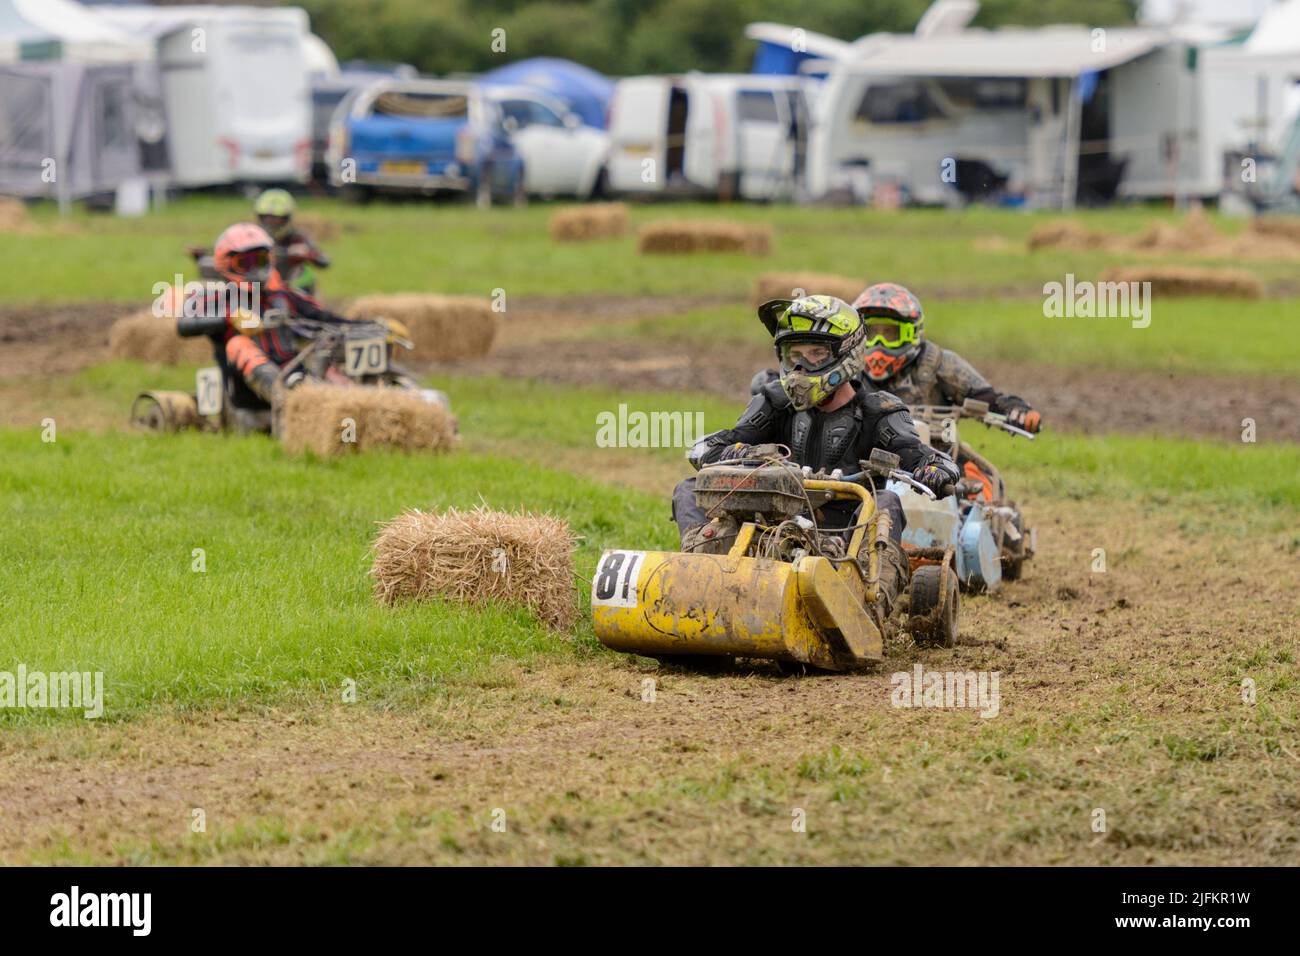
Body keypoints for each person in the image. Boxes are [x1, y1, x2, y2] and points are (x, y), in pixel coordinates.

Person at [672, 294, 960, 617]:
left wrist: (933, 470)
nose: (801, 367)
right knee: (689, 489)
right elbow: (713, 445)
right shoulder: (773, 401)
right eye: (794, 355)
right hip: (773, 519)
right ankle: (699, 577)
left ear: (846, 354)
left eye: (815, 354)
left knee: (887, 503)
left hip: (844, 533)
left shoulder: (879, 411)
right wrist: (742, 453)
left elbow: (924, 456)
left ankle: (870, 606)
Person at [177, 222, 356, 433]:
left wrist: (372, 326)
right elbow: (184, 325)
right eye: (246, 262)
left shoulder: (282, 294)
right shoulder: (216, 297)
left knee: (324, 346)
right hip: (244, 399)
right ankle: (287, 402)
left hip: (294, 373)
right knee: (238, 343)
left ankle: (330, 402)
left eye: (260, 260)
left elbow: (323, 317)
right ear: (226, 264)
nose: (255, 269)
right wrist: (229, 318)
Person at [253, 188, 330, 295]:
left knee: (308, 276)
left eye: (277, 219)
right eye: (268, 218)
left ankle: (305, 308)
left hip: (291, 287)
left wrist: (307, 252)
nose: (272, 223)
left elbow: (324, 261)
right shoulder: (252, 237)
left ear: (286, 218)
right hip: (260, 286)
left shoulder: (298, 237)